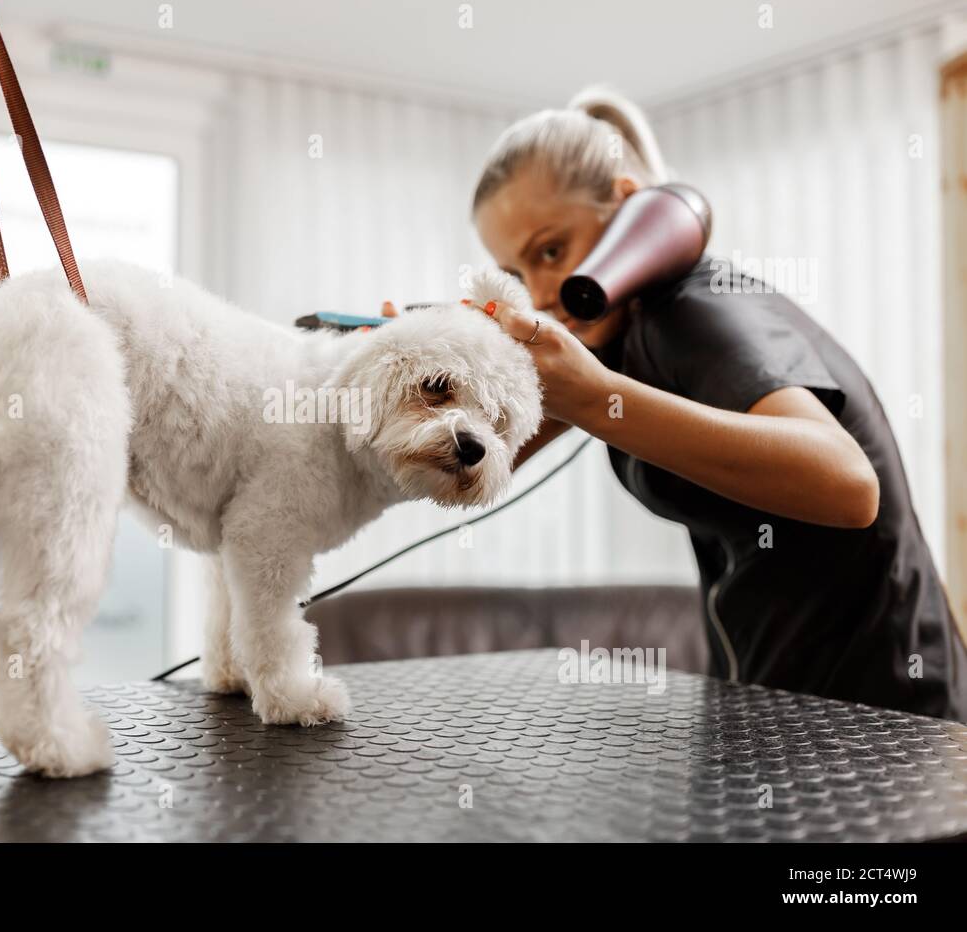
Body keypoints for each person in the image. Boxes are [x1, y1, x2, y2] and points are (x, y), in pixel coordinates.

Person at [395, 85, 967, 720]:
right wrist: (417, 384)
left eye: (551, 252)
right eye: (519, 274)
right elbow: (486, 460)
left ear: (629, 211)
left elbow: (849, 484)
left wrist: (594, 396)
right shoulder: (621, 340)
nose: (541, 292)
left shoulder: (696, 311)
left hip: (888, 721)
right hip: (782, 703)